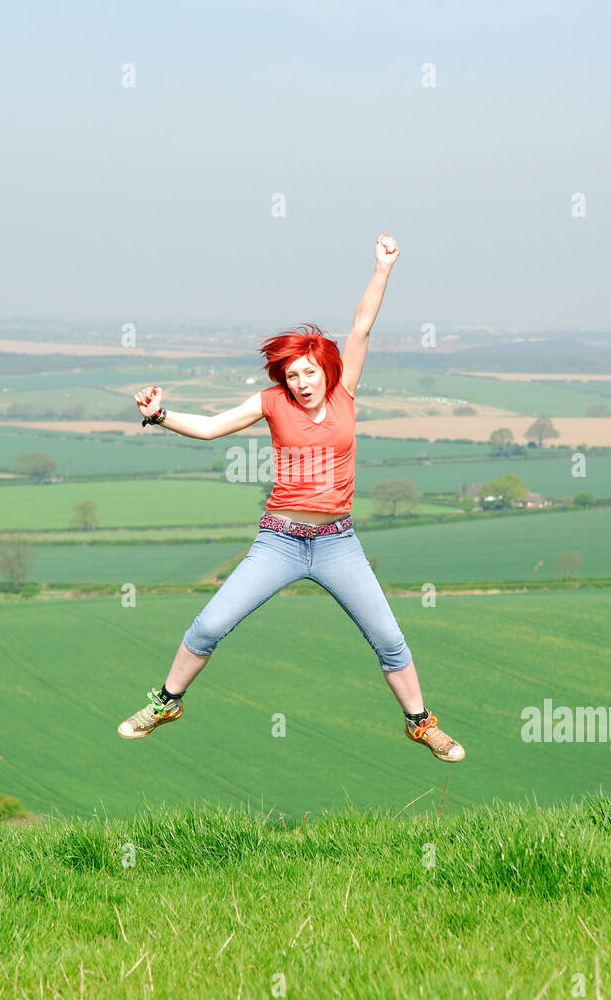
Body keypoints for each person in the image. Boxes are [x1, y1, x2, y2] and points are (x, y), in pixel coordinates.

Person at [118, 232, 465, 763]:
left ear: (325, 367)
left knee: (390, 640)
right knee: (209, 625)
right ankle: (166, 703)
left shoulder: (346, 388)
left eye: (307, 372)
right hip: (279, 541)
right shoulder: (272, 402)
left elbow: (362, 324)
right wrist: (159, 415)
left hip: (338, 543)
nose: (301, 382)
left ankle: (421, 724)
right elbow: (212, 428)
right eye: (291, 375)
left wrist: (382, 268)